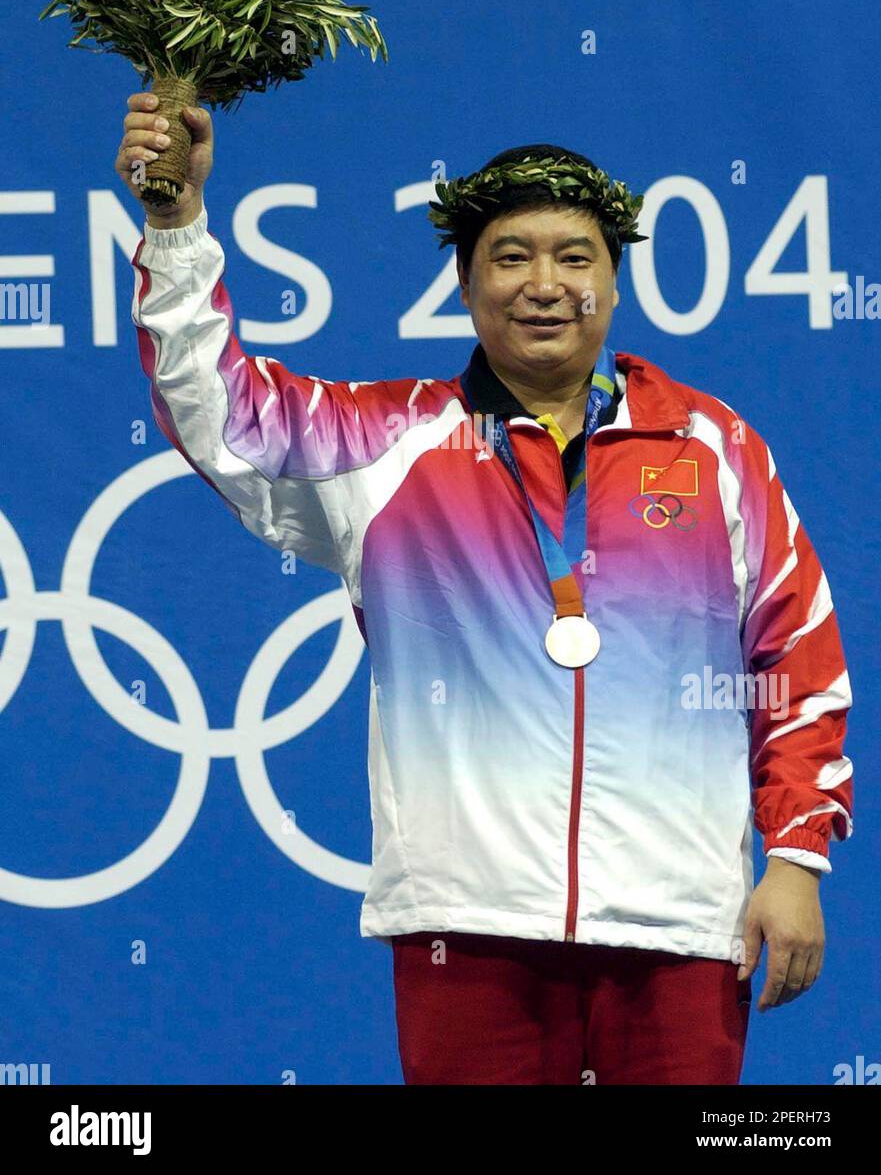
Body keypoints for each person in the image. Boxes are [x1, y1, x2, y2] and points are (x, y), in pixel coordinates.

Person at [117, 93, 853, 1085]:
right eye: (508, 256)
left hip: (681, 924)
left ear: (615, 281)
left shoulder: (712, 448)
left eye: (573, 256)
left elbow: (793, 659)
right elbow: (218, 413)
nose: (542, 284)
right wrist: (174, 228)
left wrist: (796, 857)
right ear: (464, 285)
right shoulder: (385, 443)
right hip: (465, 932)